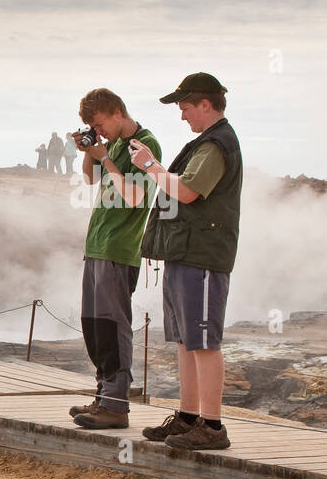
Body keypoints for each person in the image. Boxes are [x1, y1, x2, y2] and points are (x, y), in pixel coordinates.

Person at [129, 72, 243, 451]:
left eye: (186, 107)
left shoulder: (215, 145)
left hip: (202, 256)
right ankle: (189, 417)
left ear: (205, 104)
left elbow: (190, 193)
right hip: (188, 253)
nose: (182, 116)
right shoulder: (208, 142)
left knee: (204, 341)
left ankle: (211, 428)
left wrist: (151, 166)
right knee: (186, 340)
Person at [69, 88, 161, 431]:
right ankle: (104, 396)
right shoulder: (115, 146)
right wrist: (91, 153)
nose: (99, 130)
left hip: (119, 249)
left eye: (99, 123)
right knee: (94, 326)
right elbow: (92, 180)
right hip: (98, 245)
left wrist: (105, 156)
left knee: (113, 326)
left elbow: (135, 197)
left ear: (116, 111)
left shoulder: (144, 144)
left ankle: (115, 406)